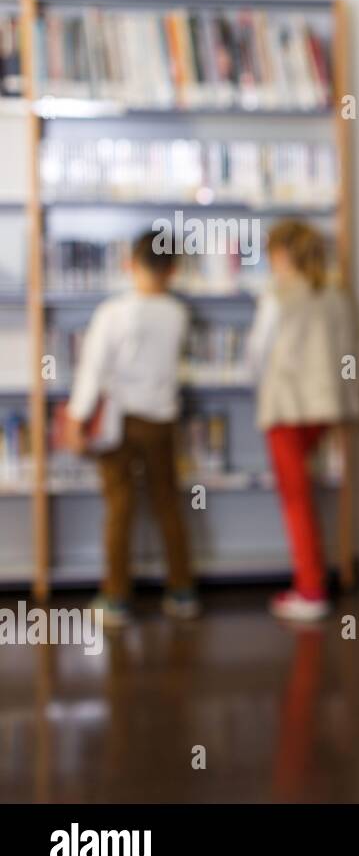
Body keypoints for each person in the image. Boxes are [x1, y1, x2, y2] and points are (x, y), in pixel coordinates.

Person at [67, 229, 197, 627]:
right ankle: (181, 591)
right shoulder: (179, 314)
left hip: (119, 422)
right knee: (167, 505)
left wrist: (76, 417)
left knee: (119, 509)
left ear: (129, 264)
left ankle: (117, 597)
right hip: (161, 419)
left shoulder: (112, 313)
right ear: (173, 270)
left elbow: (93, 370)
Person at [248, 220, 359, 622]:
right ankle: (318, 579)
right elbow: (349, 354)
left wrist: (259, 382)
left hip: (286, 408)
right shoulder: (335, 296)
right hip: (326, 408)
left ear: (282, 255)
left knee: (296, 501)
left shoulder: (275, 298)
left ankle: (311, 589)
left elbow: (257, 354)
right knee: (314, 495)